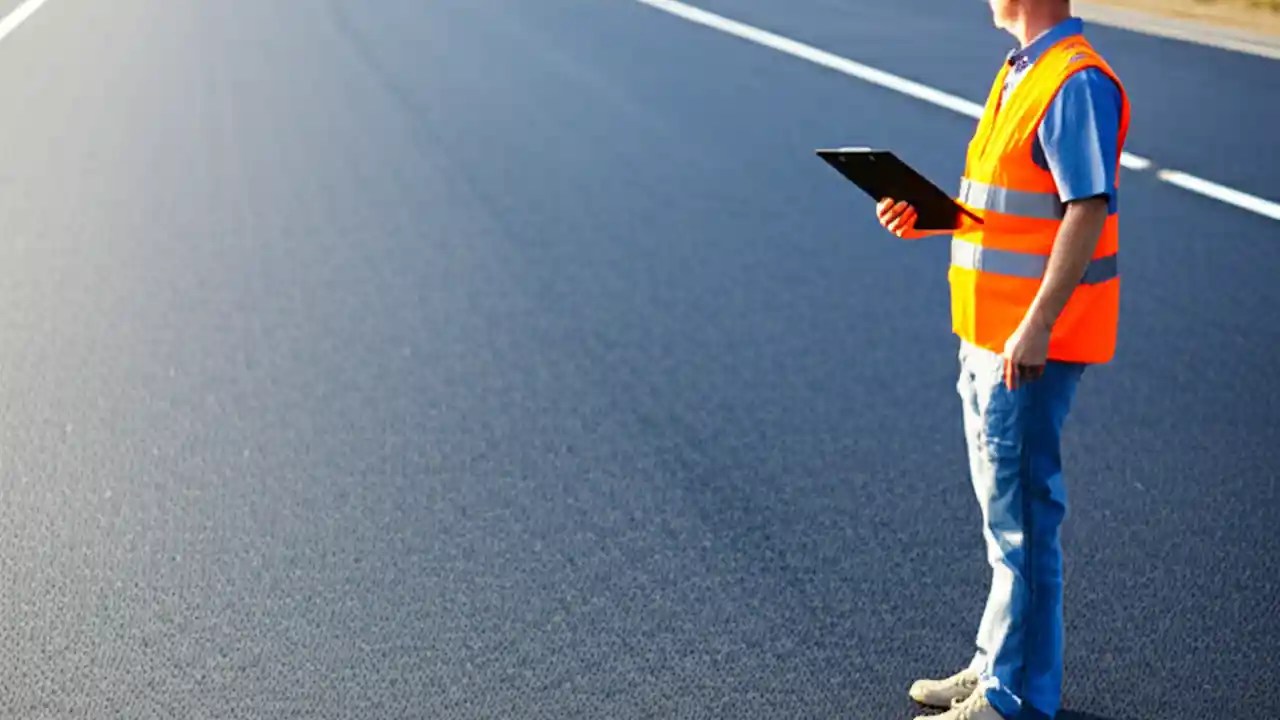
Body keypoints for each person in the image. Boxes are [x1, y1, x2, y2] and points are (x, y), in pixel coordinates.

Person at [874, 1, 1129, 719]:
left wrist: (1038, 324)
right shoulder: (1023, 70)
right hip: (988, 332)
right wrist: (934, 214)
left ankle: (1015, 697)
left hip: (1025, 343)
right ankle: (995, 667)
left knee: (1023, 519)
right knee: (1004, 520)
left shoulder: (1073, 81)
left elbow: (1087, 207)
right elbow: (1017, 209)